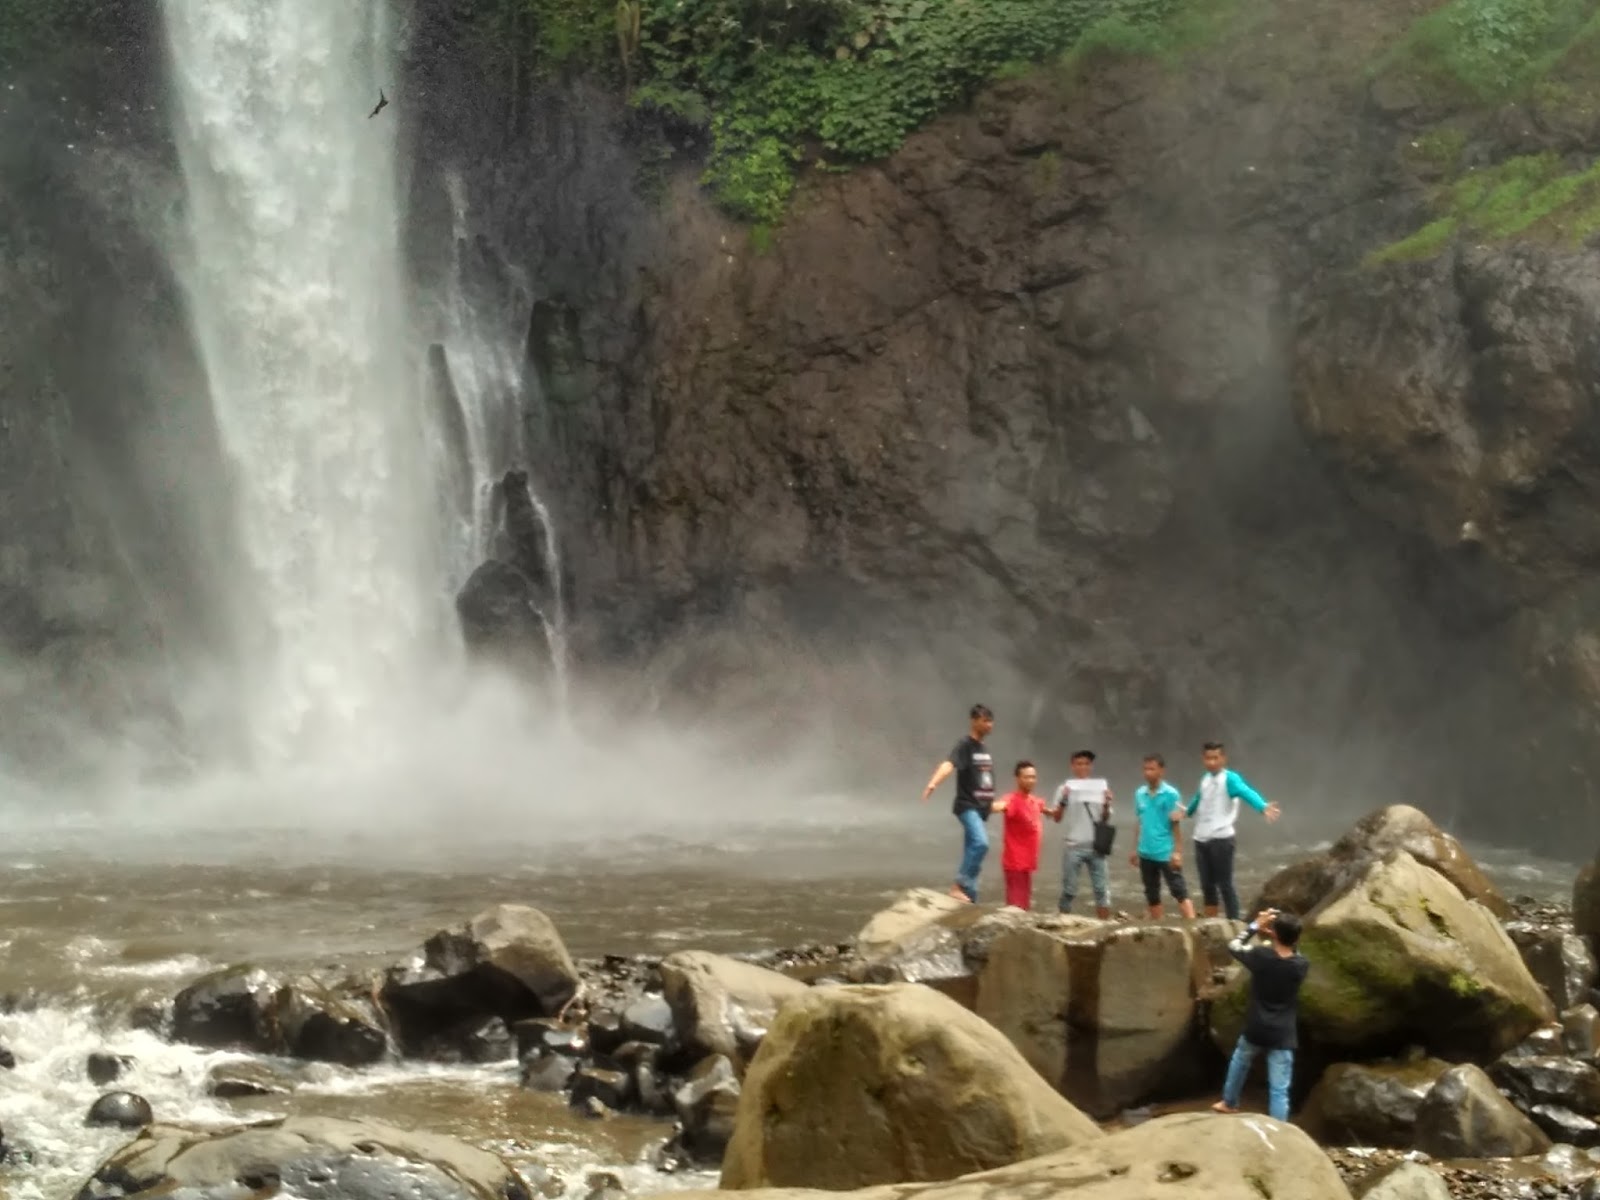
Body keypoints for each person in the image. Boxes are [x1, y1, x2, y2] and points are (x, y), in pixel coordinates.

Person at [1213, 908, 1309, 1121]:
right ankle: (1279, 1128)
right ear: (1297, 938)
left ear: (1274, 933)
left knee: (1240, 1061)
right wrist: (1280, 935)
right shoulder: (1300, 965)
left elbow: (1234, 946)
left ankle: (1229, 1102)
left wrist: (1256, 926)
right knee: (1279, 1088)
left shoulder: (1261, 956)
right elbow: (1294, 949)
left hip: (1256, 1027)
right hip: (1283, 1033)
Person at [1185, 742, 1281, 920]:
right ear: (1203, 759)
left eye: (1215, 758)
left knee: (1225, 884)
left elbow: (1246, 792)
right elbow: (1198, 798)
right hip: (1201, 837)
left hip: (1221, 838)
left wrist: (1262, 806)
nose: (1212, 762)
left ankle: (1234, 922)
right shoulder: (1205, 779)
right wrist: (1187, 812)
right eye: (1208, 758)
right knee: (1207, 885)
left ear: (1223, 759)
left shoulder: (1230, 779)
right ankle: (1210, 921)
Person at [920, 704, 996, 903]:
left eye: (991, 721)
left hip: (981, 809)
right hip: (967, 806)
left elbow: (983, 780)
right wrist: (933, 783)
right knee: (981, 844)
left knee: (973, 854)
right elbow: (949, 764)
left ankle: (970, 898)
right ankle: (958, 886)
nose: (990, 725)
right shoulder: (965, 745)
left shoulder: (983, 749)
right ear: (974, 721)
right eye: (985, 720)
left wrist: (992, 805)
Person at [1129, 753, 1195, 920]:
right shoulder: (1140, 794)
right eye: (1145, 769)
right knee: (1152, 893)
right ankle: (1157, 927)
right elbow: (1139, 821)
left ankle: (1193, 925)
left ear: (1161, 771)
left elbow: (1175, 823)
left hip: (1165, 851)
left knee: (1179, 890)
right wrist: (1134, 849)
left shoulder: (1170, 794)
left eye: (1152, 769)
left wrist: (1178, 852)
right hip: (1145, 851)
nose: (1147, 772)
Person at [1053, 750, 1112, 918]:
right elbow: (1057, 818)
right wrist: (1064, 799)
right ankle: (1062, 921)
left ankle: (1105, 927)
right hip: (1073, 846)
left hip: (1096, 845)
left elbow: (1105, 819)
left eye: (1086, 764)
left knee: (1102, 891)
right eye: (1079, 764)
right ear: (1072, 766)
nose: (1083, 767)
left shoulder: (1100, 788)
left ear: (1091, 766)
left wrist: (1107, 804)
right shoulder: (1063, 789)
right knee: (1069, 890)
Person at [992, 760, 1047, 910]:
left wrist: (1062, 804)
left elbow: (1049, 811)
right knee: (1015, 905)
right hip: (1014, 862)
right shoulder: (1011, 799)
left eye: (1033, 777)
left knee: (1025, 902)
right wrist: (985, 806)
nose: (1031, 780)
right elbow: (999, 806)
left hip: (1028, 863)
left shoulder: (1035, 801)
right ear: (1017, 779)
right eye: (1026, 777)